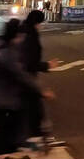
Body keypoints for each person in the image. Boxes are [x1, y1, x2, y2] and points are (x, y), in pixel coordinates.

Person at [0, 19, 52, 159]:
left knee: (8, 128)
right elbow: (21, 75)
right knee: (11, 135)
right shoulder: (6, 52)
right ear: (16, 35)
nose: (22, 39)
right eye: (21, 36)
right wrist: (42, 91)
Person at [19, 9, 58, 144]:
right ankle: (37, 137)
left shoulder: (24, 31)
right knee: (35, 109)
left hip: (22, 77)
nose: (41, 26)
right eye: (41, 23)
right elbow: (30, 62)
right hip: (26, 78)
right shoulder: (31, 36)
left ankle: (35, 136)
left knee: (31, 109)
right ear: (37, 23)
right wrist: (47, 65)